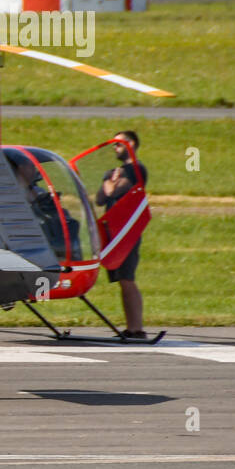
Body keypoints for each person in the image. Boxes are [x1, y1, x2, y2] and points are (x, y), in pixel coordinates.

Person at [95, 130, 148, 339]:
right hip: (113, 230)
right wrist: (110, 180)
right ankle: (131, 328)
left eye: (118, 144)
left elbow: (112, 191)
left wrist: (110, 181)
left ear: (131, 144)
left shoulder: (137, 169)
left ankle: (137, 328)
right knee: (121, 280)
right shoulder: (113, 171)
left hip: (127, 230)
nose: (115, 148)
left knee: (127, 278)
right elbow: (100, 199)